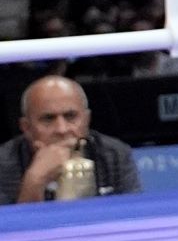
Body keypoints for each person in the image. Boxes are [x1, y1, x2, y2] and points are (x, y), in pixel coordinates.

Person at [1, 75, 141, 204]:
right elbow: (10, 229)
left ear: (86, 120)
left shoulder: (115, 154)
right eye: (48, 119)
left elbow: (133, 217)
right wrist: (35, 181)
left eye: (70, 116)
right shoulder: (3, 164)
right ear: (26, 127)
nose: (62, 129)